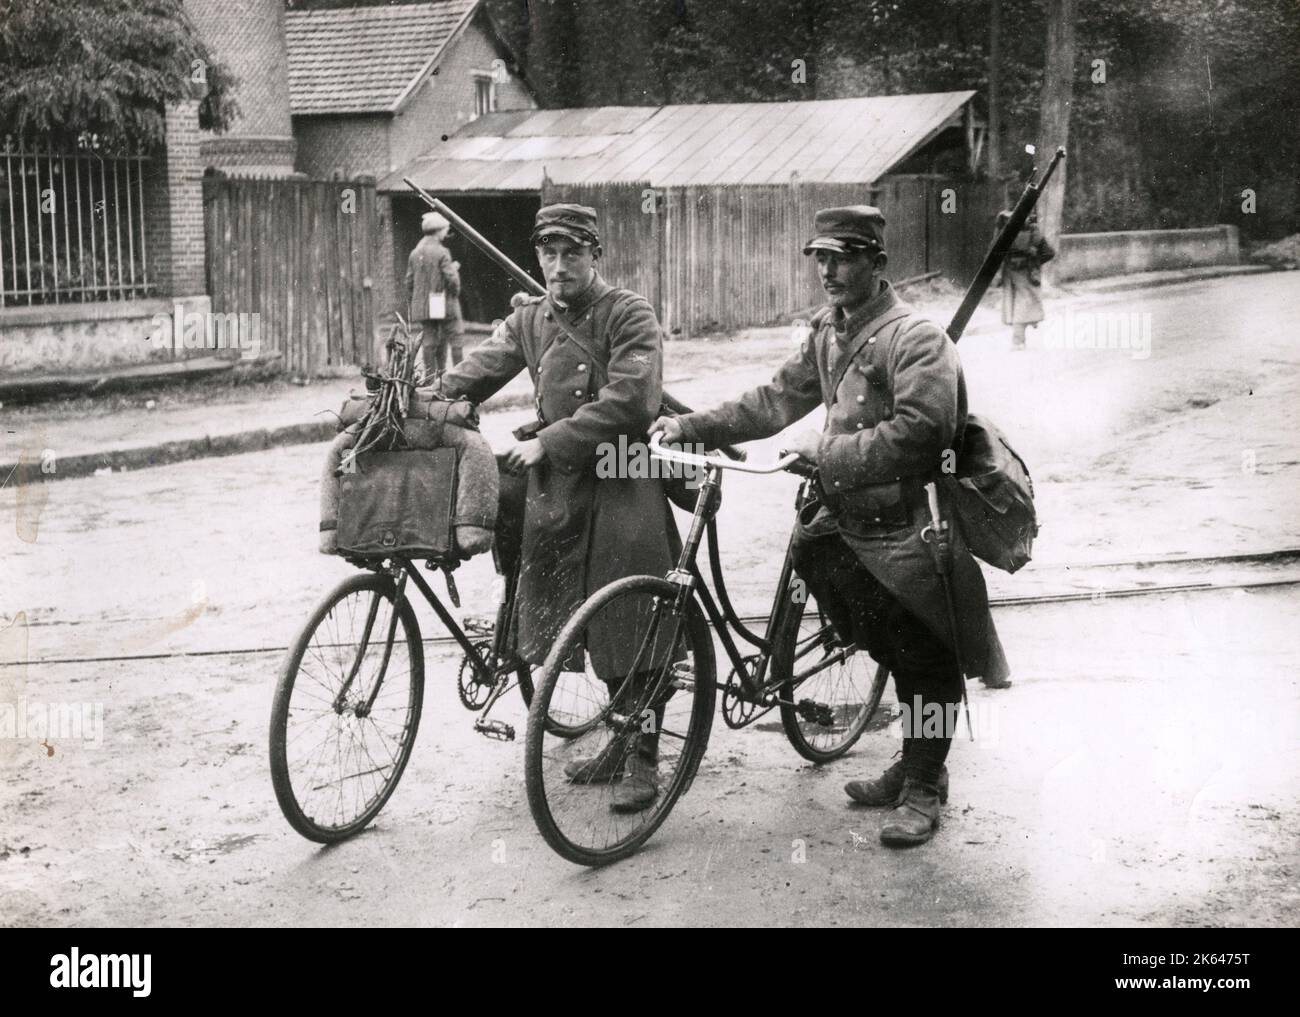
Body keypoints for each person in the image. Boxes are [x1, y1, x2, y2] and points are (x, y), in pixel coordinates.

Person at [651, 206, 1011, 847]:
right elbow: (774, 400)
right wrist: (693, 425)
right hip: (839, 526)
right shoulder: (828, 332)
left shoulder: (917, 339)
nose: (828, 269)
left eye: (842, 256)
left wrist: (830, 454)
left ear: (877, 263)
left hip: (906, 532)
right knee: (875, 639)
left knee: (923, 654)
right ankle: (914, 759)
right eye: (820, 256)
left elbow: (924, 433)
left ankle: (924, 780)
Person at [437, 203, 679, 812]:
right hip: (560, 490)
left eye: (572, 252)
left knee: (630, 621)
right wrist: (412, 399)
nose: (559, 264)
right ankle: (620, 740)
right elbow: (474, 373)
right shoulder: (532, 318)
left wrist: (550, 439)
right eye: (548, 252)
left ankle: (643, 757)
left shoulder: (629, 314)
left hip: (623, 479)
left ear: (595, 254)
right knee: (567, 614)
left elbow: (631, 401)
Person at [406, 211, 463, 376]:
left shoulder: (415, 253)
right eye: (445, 229)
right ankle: (459, 377)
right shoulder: (442, 251)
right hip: (441, 300)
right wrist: (455, 292)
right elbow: (451, 279)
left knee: (430, 339)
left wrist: (416, 299)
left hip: (423, 303)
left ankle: (430, 379)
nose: (446, 232)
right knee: (455, 335)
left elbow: (409, 281)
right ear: (438, 231)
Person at [997, 209, 1055, 350]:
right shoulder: (1034, 232)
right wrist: (1034, 263)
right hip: (1028, 273)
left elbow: (996, 253)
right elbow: (1049, 253)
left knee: (1017, 306)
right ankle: (1022, 336)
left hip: (1011, 273)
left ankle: (1018, 341)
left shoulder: (1004, 233)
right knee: (1023, 306)